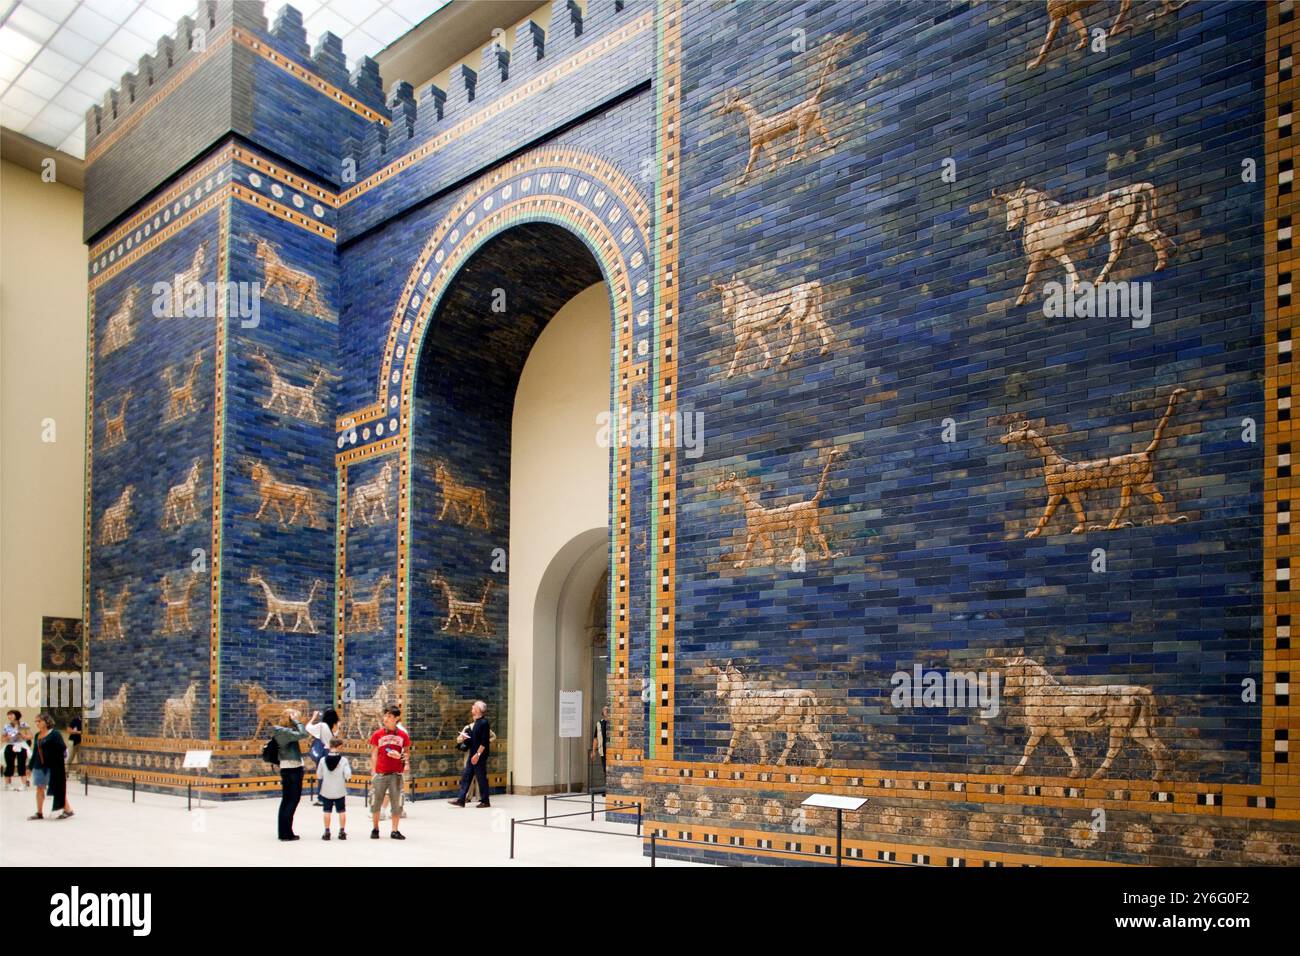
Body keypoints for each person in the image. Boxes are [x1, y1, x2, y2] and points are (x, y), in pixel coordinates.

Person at [368, 706, 409, 840]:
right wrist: (373, 772)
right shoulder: (377, 734)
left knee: (396, 803)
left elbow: (406, 754)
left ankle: (395, 830)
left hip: (396, 774)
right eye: (385, 715)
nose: (386, 718)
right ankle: (375, 828)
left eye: (390, 716)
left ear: (396, 718)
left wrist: (401, 756)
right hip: (380, 774)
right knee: (376, 802)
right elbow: (374, 754)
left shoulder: (403, 736)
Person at [271, 708, 310, 841]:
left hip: (289, 769)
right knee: (292, 801)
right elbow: (304, 734)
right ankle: (286, 833)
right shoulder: (284, 732)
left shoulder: (282, 731)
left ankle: (285, 832)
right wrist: (296, 721)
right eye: (295, 718)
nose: (298, 720)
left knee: (287, 801)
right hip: (292, 769)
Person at [28, 713, 72, 820]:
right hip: (39, 766)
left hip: (53, 766)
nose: (37, 723)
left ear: (46, 721)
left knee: (57, 788)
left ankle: (68, 809)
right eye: (36, 721)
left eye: (39, 721)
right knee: (39, 788)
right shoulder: (37, 735)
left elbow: (63, 749)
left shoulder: (55, 734)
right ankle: (39, 812)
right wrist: (29, 767)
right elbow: (35, 752)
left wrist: (61, 764)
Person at [449, 700, 491, 808]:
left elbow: (484, 742)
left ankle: (485, 801)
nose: (472, 707)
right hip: (472, 755)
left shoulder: (484, 723)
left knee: (481, 778)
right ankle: (461, 799)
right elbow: (473, 740)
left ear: (478, 710)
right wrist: (465, 738)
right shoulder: (476, 723)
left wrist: (477, 755)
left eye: (474, 706)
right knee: (466, 777)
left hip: (479, 756)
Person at [315, 737, 351, 840]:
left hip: (326, 790)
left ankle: (327, 832)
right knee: (342, 811)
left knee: (327, 811)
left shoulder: (322, 760)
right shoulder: (343, 760)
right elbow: (348, 775)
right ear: (339, 747)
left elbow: (319, 775)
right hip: (339, 790)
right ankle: (342, 832)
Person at [306, 708, 340, 807]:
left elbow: (308, 727)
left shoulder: (322, 725)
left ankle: (321, 799)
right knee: (332, 776)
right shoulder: (336, 726)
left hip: (323, 753)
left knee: (322, 776)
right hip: (333, 752)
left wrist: (314, 717)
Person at [3, 710, 30, 790]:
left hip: (21, 746)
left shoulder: (23, 725)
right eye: (8, 715)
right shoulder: (6, 726)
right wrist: (9, 737)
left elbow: (30, 736)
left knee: (22, 765)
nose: (9, 716)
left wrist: (22, 735)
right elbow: (2, 739)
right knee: (9, 765)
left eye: (11, 715)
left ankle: (24, 784)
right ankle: (7, 784)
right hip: (10, 746)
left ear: (16, 716)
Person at [590, 705, 609, 777]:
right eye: (605, 710)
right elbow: (596, 738)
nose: (606, 711)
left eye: (608, 709)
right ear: (602, 712)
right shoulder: (599, 723)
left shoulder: (613, 722)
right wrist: (593, 751)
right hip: (603, 750)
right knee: (605, 770)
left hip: (612, 750)